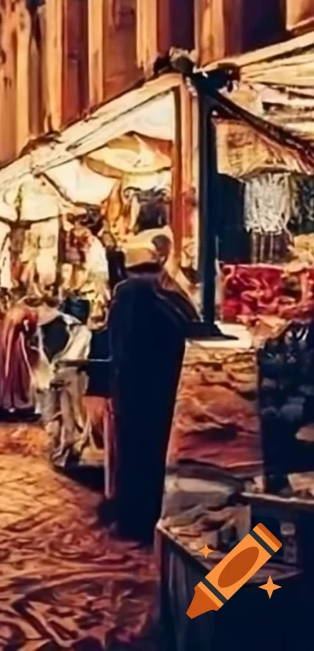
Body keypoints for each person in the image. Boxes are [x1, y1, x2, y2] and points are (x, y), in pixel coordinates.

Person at [107, 230, 198, 543]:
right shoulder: (170, 292)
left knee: (134, 452)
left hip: (135, 386)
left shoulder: (128, 292)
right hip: (167, 383)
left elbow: (120, 346)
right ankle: (153, 515)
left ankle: (134, 519)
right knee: (156, 450)